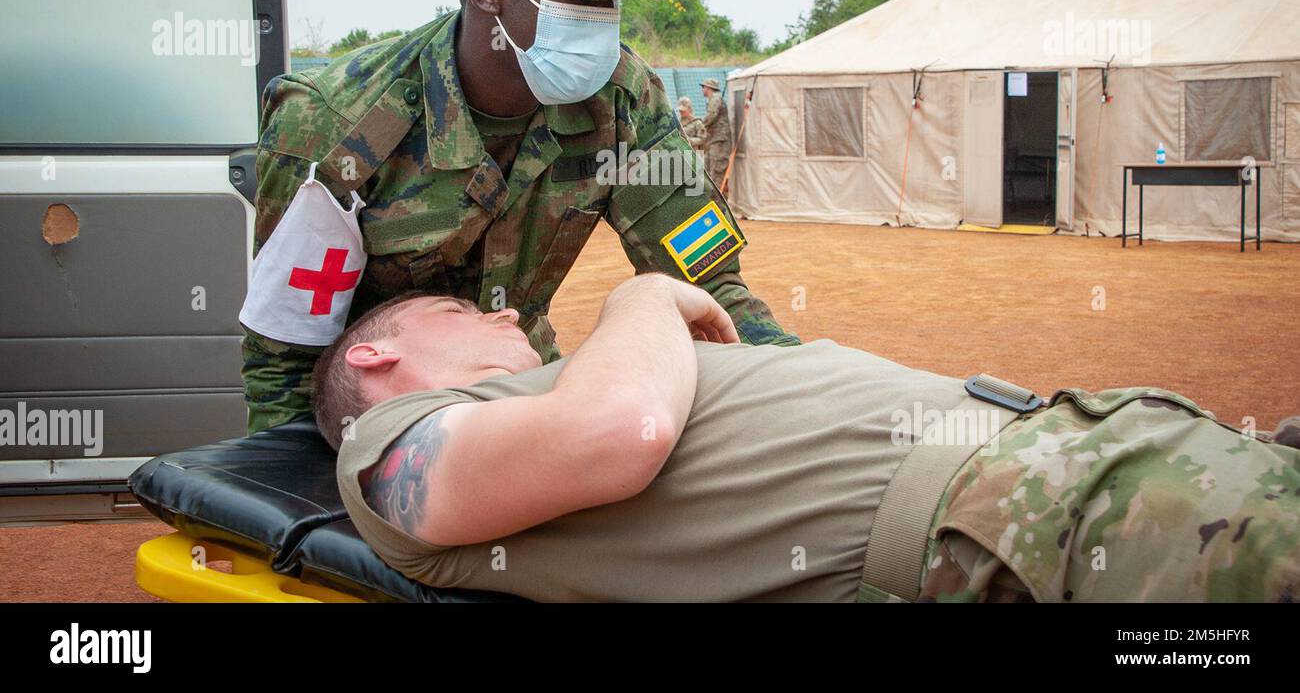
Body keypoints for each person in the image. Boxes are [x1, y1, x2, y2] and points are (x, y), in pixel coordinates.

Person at [240, 0, 797, 433]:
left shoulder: (620, 101)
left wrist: (809, 394)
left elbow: (710, 287)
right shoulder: (337, 124)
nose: (606, 17)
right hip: (389, 424)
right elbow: (284, 361)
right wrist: (306, 509)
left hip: (533, 400)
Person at [321, 277, 1300, 603]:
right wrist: (641, 293)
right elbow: (621, 431)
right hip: (1048, 513)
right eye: (460, 306)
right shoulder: (384, 449)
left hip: (1094, 459)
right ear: (371, 355)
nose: (505, 315)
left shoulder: (569, 376)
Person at [699, 78, 733, 189]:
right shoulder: (713, 99)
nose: (702, 89)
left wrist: (699, 125)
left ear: (708, 88)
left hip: (720, 142)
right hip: (714, 141)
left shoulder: (715, 99)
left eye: (704, 87)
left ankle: (718, 203)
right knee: (709, 172)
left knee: (716, 174)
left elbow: (711, 117)